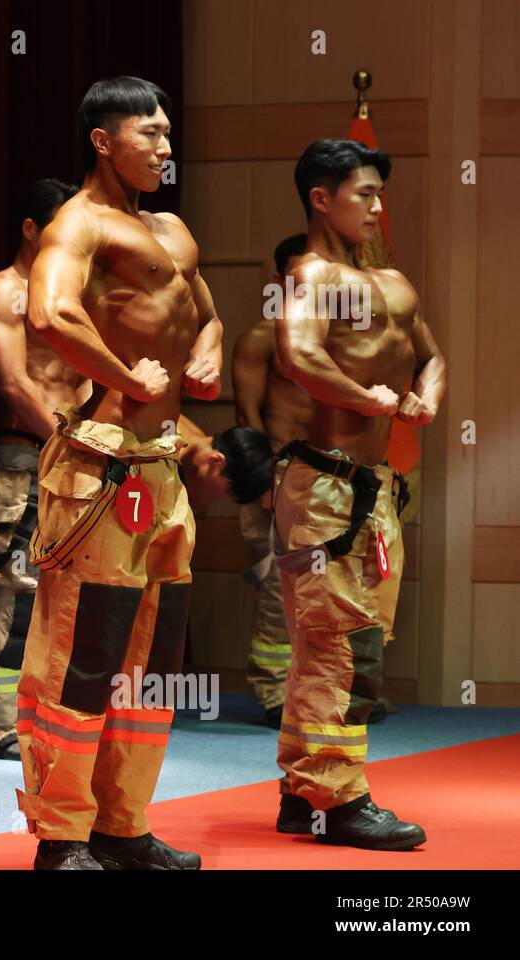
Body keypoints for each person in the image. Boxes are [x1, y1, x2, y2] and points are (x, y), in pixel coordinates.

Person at [18, 76, 223, 871]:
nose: (166, 149)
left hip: (163, 470)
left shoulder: (170, 229)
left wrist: (206, 349)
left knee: (154, 662)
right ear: (104, 141)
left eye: (170, 135)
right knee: (83, 657)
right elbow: (50, 313)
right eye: (150, 135)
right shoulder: (79, 223)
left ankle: (122, 824)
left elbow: (203, 312)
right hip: (99, 470)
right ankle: (61, 836)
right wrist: (124, 378)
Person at [272, 139, 444, 849]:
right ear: (321, 198)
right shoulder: (309, 276)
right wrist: (366, 398)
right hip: (325, 485)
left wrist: (425, 398)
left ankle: (301, 793)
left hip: (376, 492)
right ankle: (336, 799)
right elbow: (298, 356)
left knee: (354, 640)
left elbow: (431, 355)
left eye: (379, 194)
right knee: (335, 646)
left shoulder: (393, 284)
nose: (377, 207)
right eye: (364, 194)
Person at [0, 177, 83, 761]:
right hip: (23, 464)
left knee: (67, 598)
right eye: (59, 228)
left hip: (80, 464)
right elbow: (14, 384)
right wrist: (76, 438)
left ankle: (46, 717)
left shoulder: (71, 295)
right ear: (32, 229)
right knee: (14, 594)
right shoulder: (5, 292)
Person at [231, 234, 312, 727]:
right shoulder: (262, 338)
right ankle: (272, 692)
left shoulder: (338, 337)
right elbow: (247, 415)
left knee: (326, 592)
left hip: (327, 480)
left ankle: (322, 691)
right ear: (280, 277)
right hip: (277, 475)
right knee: (276, 589)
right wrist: (266, 484)